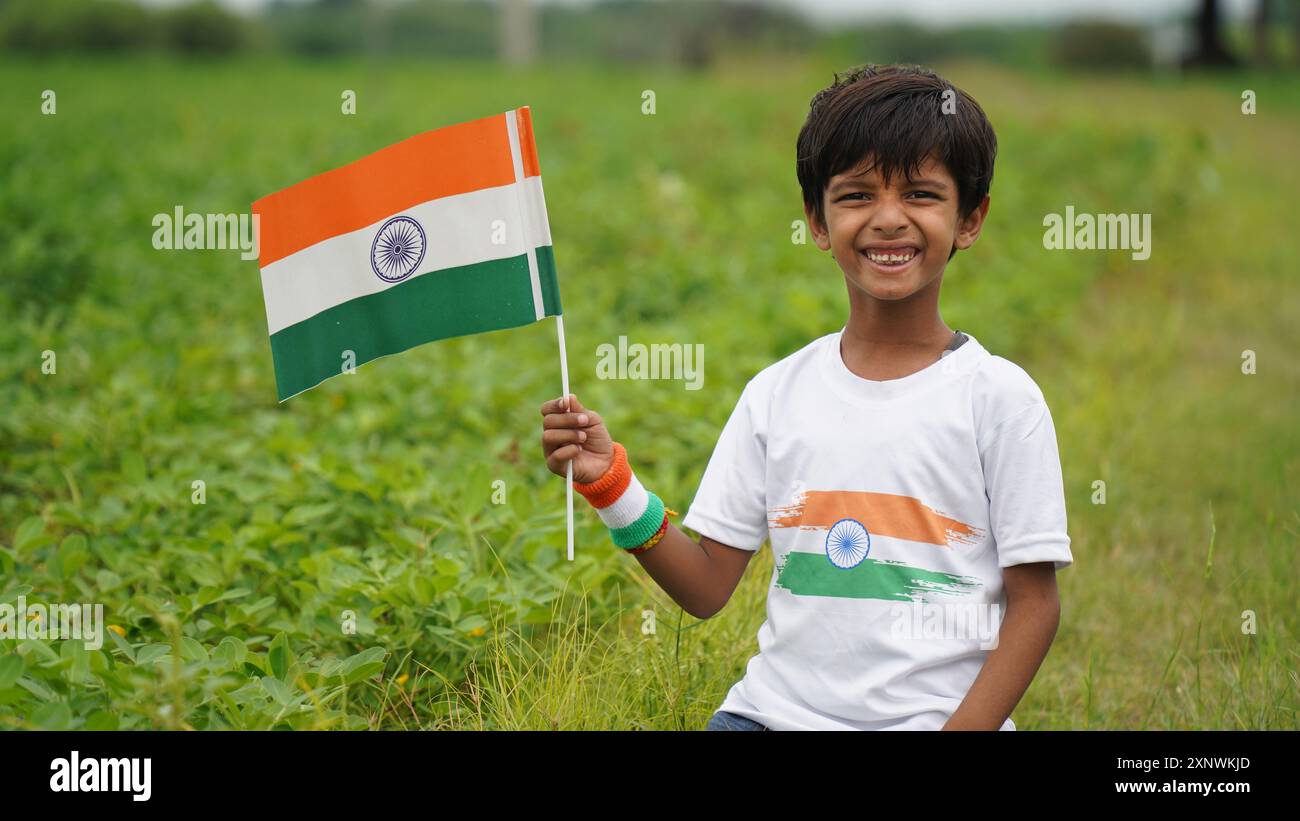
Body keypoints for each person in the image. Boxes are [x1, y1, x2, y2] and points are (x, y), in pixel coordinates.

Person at [539, 64, 1073, 731]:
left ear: (970, 218)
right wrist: (609, 485)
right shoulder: (776, 394)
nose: (887, 219)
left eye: (920, 194)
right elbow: (705, 586)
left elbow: (1035, 606)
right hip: (767, 718)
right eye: (855, 195)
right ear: (817, 221)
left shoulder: (1000, 399)